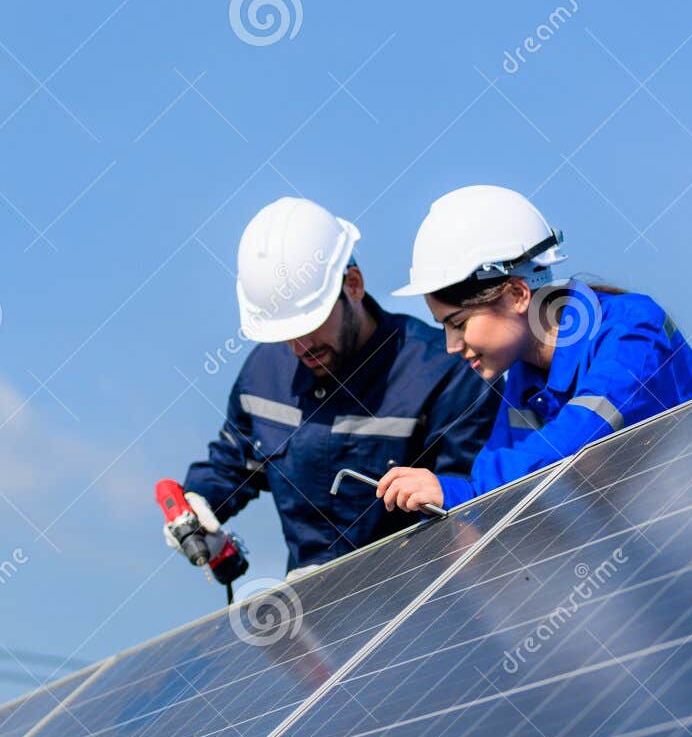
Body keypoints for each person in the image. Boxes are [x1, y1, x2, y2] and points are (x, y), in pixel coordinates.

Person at [168, 196, 500, 577]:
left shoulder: (446, 372)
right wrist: (199, 504)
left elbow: (477, 502)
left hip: (425, 608)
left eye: (310, 324)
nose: (299, 347)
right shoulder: (263, 373)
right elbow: (234, 463)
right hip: (310, 609)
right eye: (285, 333)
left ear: (353, 285)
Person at [375, 185, 692, 513]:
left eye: (459, 323)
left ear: (518, 295)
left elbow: (578, 439)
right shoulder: (527, 381)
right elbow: (491, 481)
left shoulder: (632, 330)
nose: (450, 346)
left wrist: (455, 493)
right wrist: (442, 498)